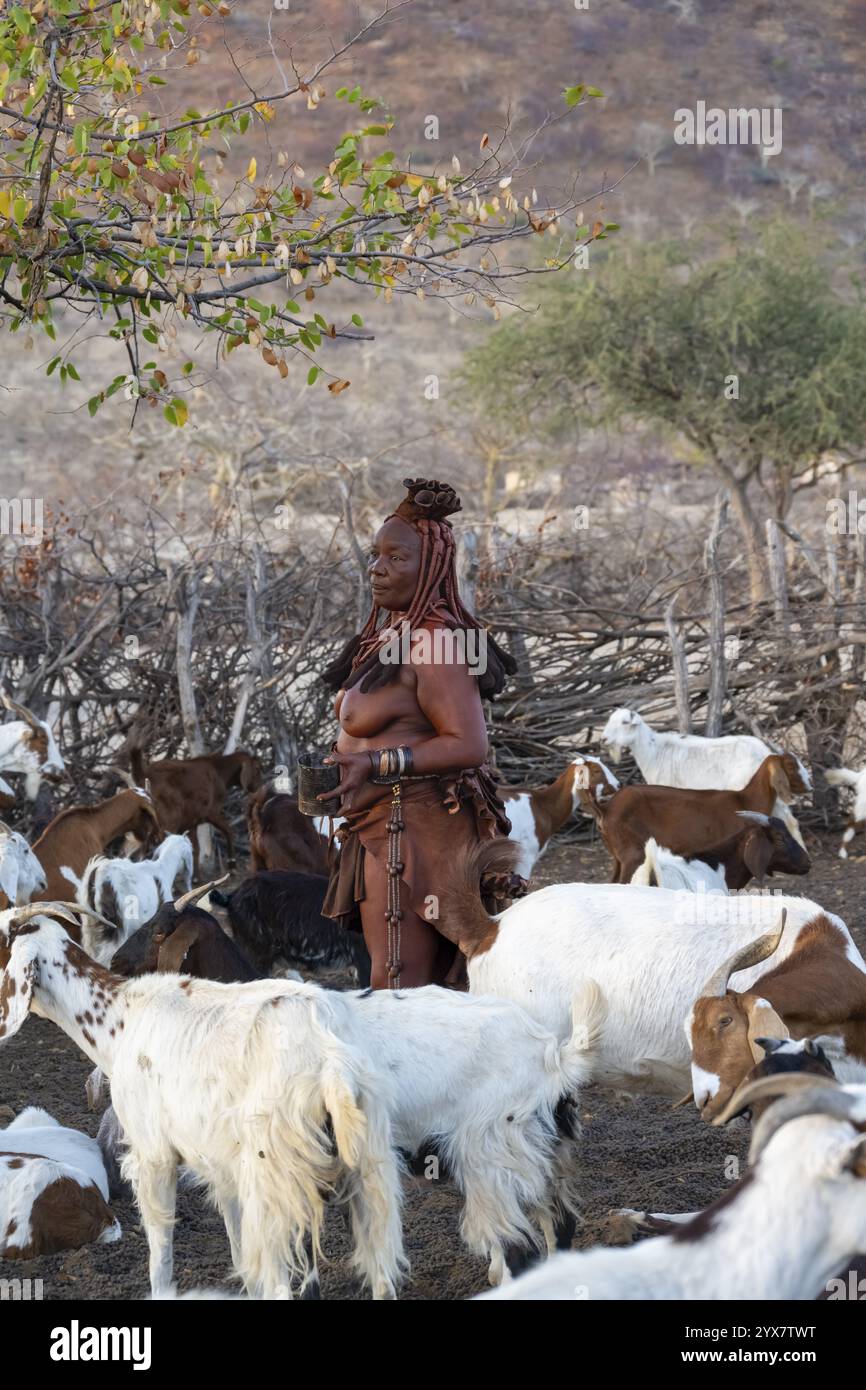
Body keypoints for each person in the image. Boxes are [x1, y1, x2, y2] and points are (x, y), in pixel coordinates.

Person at [319, 476, 521, 989]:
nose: (377, 568)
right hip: (380, 825)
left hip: (415, 832)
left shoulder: (436, 640)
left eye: (396, 558)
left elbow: (469, 744)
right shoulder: (390, 633)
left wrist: (376, 764)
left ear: (430, 565)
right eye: (375, 555)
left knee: (402, 984)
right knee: (391, 978)